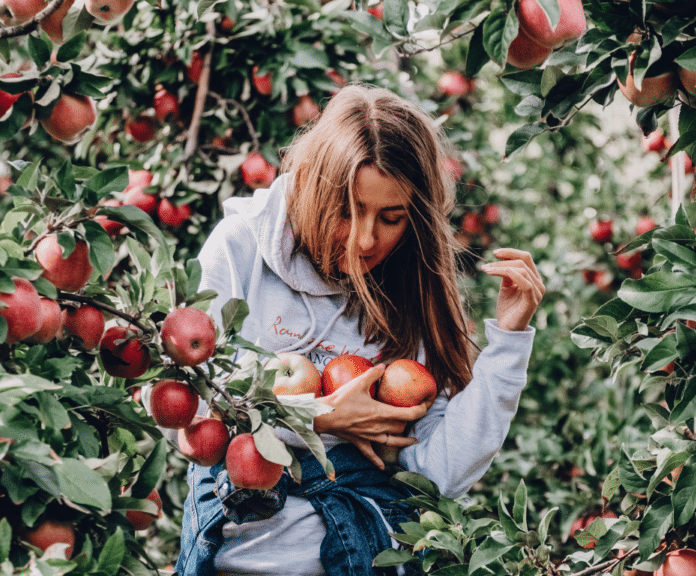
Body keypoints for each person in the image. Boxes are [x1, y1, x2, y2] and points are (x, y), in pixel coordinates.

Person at [169, 84, 544, 576]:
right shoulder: (240, 249)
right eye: (348, 210)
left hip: (368, 556)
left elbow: (438, 474)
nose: (366, 240)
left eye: (391, 218)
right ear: (313, 186)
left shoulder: (409, 290)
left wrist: (509, 345)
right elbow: (182, 415)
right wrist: (315, 419)